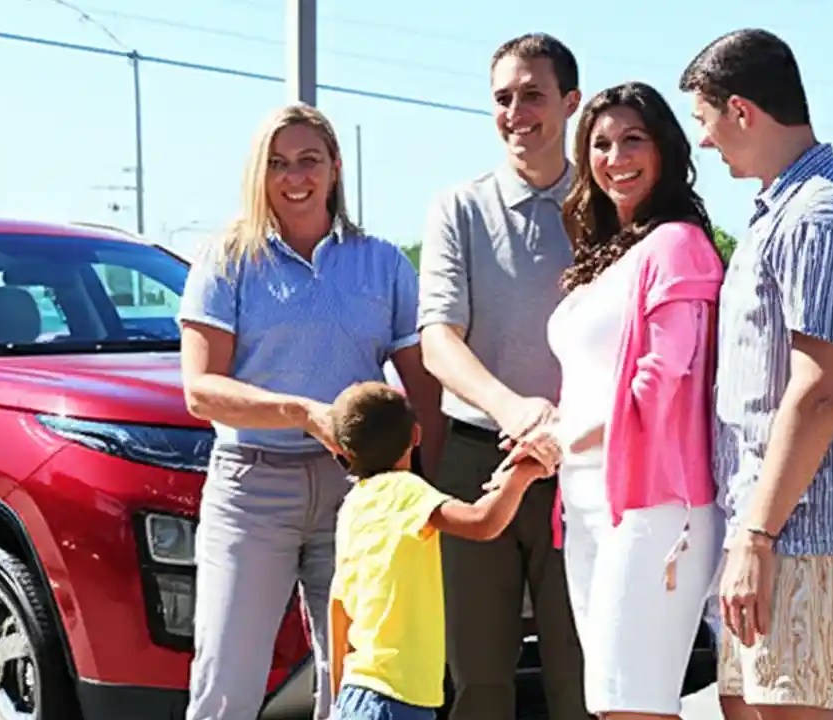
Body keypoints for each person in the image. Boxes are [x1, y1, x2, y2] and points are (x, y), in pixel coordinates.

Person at [178, 102, 444, 720]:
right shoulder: (226, 261)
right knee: (226, 678)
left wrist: (420, 485)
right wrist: (303, 412)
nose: (294, 178)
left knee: (357, 675)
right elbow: (201, 390)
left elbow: (422, 390)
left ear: (335, 168)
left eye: (308, 161)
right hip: (250, 488)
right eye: (277, 163)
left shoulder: (382, 262)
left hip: (358, 494)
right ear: (258, 172)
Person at [507, 81, 725, 718]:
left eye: (634, 139)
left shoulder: (678, 245)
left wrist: (560, 437)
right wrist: (557, 435)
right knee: (609, 702)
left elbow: (660, 380)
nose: (615, 156)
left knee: (636, 704)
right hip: (584, 502)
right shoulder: (603, 257)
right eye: (600, 143)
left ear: (665, 149)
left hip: (656, 506)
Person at [679, 28, 833, 720]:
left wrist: (758, 538)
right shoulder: (779, 214)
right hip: (767, 529)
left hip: (802, 533)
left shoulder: (819, 218)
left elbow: (819, 389)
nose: (703, 142)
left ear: (741, 111)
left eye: (703, 121)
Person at [416, 31, 589, 719]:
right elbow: (437, 340)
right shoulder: (458, 208)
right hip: (477, 462)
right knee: (478, 680)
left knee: (580, 678)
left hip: (582, 468)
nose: (516, 112)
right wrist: (514, 409)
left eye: (533, 95)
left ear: (571, 102)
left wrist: (561, 429)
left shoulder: (609, 208)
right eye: (503, 98)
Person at [327, 381, 552, 720]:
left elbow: (338, 608)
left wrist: (337, 698)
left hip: (356, 693)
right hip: (398, 698)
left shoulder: (353, 507)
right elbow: (482, 521)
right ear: (416, 435)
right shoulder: (406, 491)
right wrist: (523, 473)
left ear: (342, 450)